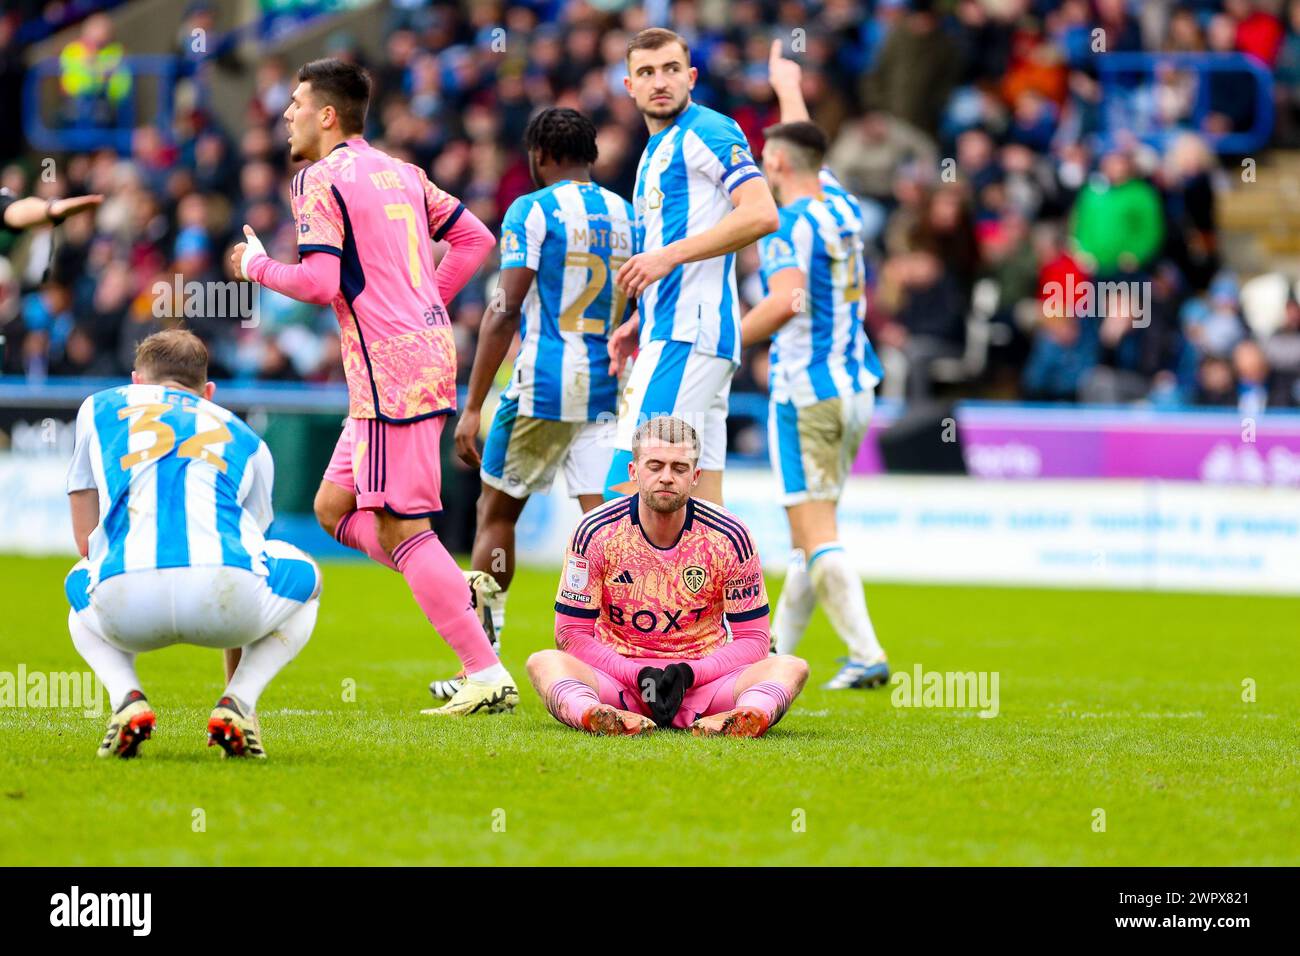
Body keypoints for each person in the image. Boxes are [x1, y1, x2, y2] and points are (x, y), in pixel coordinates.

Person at [230, 58, 514, 717]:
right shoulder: (402, 172)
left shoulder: (318, 179)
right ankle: (455, 586)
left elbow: (320, 284)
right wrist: (426, 303)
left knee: (400, 527)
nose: (286, 113)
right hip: (404, 363)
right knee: (334, 508)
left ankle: (485, 671)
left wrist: (255, 266)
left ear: (327, 115)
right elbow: (475, 238)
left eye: (296, 102)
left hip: (391, 370)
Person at [431, 108, 636, 702]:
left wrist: (472, 405)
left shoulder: (532, 208)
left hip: (543, 387)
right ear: (591, 155)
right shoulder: (627, 214)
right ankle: (629, 657)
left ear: (539, 156)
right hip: (607, 390)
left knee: (497, 516)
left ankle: (485, 669)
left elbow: (505, 307)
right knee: (610, 531)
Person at [64, 329, 319, 759]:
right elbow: (249, 548)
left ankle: (126, 697)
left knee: (80, 579)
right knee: (308, 579)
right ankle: (238, 702)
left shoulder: (99, 406)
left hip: (126, 607)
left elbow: (83, 531)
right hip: (225, 598)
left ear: (136, 381)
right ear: (210, 392)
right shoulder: (248, 438)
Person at [740, 43, 890, 690]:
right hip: (857, 386)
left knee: (815, 527)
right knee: (813, 528)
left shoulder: (785, 227)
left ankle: (866, 655)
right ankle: (772, 653)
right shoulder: (841, 205)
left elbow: (783, 301)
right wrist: (788, 87)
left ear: (774, 163)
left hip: (805, 393)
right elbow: (806, 148)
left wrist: (726, 346)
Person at [528, 416, 809, 737]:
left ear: (695, 477)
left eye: (679, 468)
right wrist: (636, 674)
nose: (666, 477)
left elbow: (754, 639)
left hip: (702, 685)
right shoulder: (595, 531)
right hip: (620, 683)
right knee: (544, 662)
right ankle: (595, 714)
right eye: (655, 465)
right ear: (634, 472)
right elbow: (571, 634)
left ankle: (746, 716)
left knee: (791, 667)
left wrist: (690, 673)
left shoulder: (731, 536)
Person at [604, 27, 780, 506]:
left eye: (671, 69)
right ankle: (738, 585)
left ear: (691, 76)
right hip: (683, 332)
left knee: (627, 491)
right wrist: (642, 318)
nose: (659, 81)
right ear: (629, 86)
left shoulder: (708, 130)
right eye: (646, 72)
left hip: (688, 337)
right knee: (703, 507)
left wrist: (667, 256)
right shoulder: (654, 152)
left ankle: (621, 586)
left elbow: (762, 212)